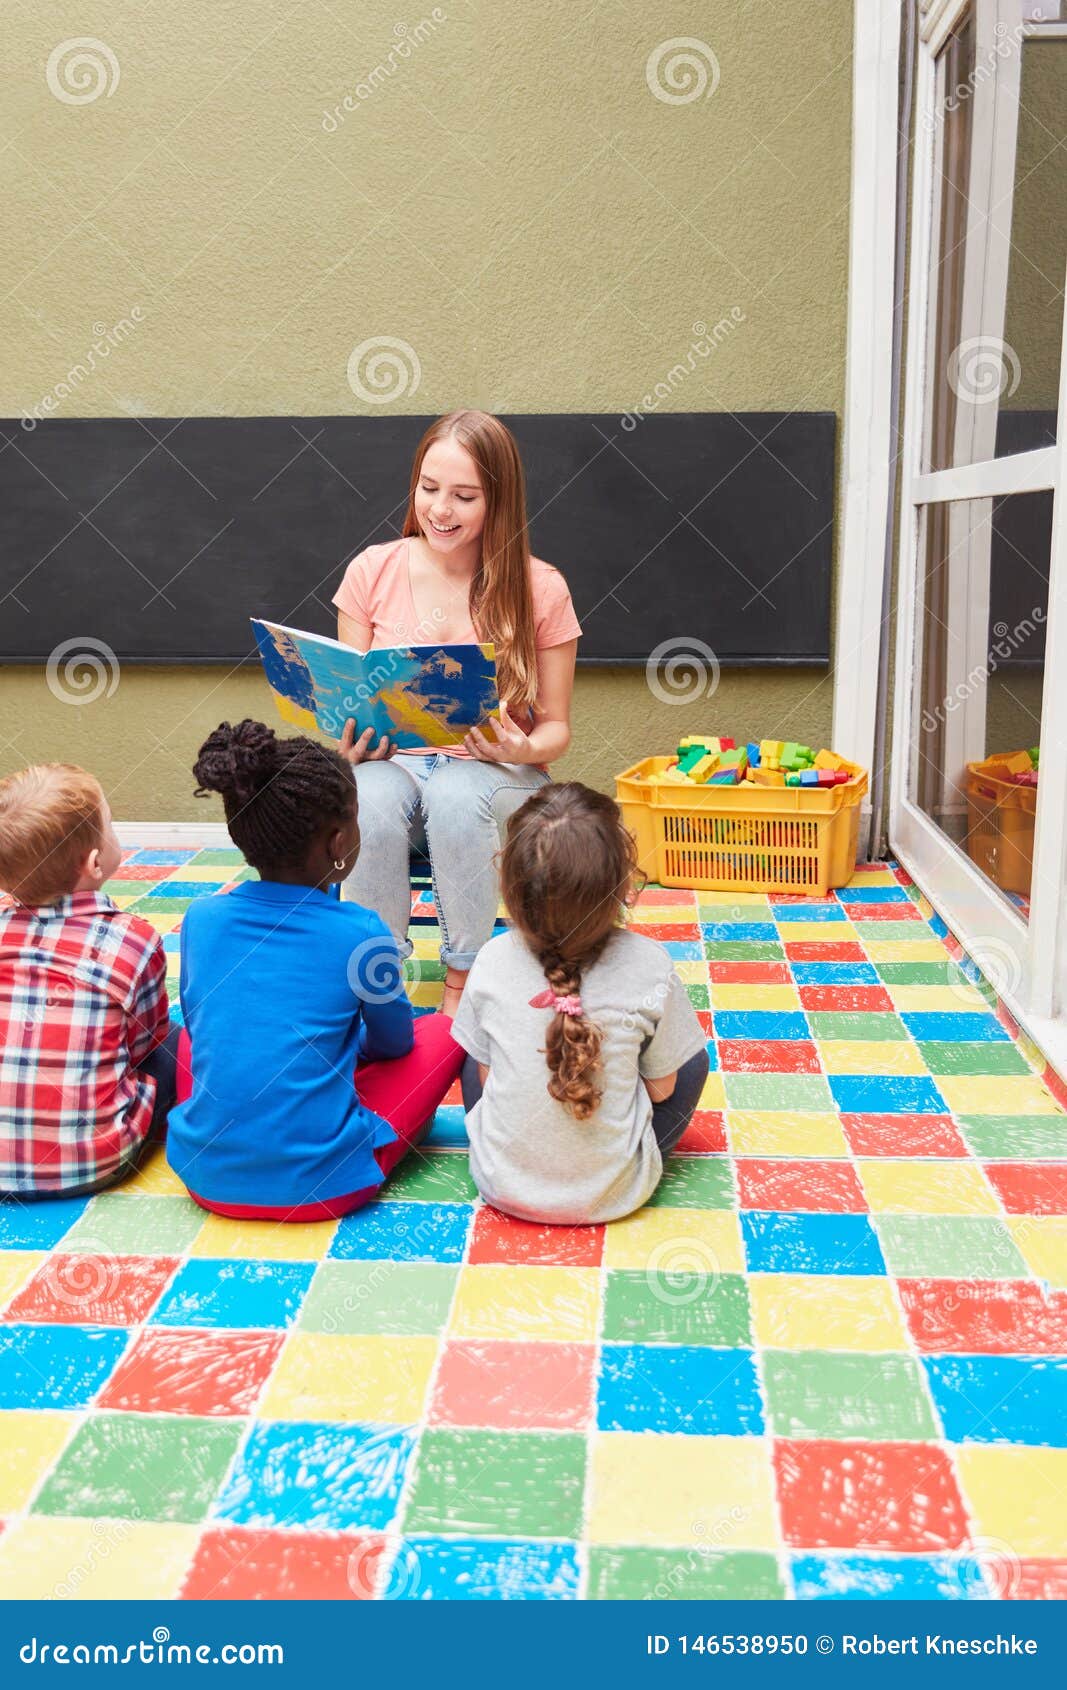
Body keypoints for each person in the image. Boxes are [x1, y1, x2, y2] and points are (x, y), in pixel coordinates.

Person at [332, 409, 582, 1017]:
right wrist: (350, 742)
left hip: (495, 782)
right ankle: (376, 983)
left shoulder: (540, 586)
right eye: (428, 488)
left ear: (498, 500)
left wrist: (518, 748)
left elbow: (556, 730)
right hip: (398, 769)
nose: (440, 509)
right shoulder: (372, 570)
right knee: (366, 791)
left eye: (464, 496)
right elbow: (347, 698)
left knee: (455, 790)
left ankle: (461, 982)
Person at [167, 719, 463, 1220]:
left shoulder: (201, 917)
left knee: (197, 1037)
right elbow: (394, 1045)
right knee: (443, 1031)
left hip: (206, 1178)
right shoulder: (362, 932)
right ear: (338, 842)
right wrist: (348, 1046)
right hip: (325, 1188)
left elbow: (202, 1023)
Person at [451, 782, 710, 1225]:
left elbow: (485, 1076)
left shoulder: (491, 958)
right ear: (624, 883)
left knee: (471, 1048)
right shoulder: (651, 964)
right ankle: (627, 1163)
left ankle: (513, 1152)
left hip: (500, 1184)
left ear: (509, 885)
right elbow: (665, 1088)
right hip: (615, 1194)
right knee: (692, 1060)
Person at [0, 764, 178, 1197]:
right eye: (111, 825)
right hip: (93, 1161)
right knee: (177, 1043)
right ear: (96, 863)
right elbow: (145, 1044)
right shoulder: (133, 940)